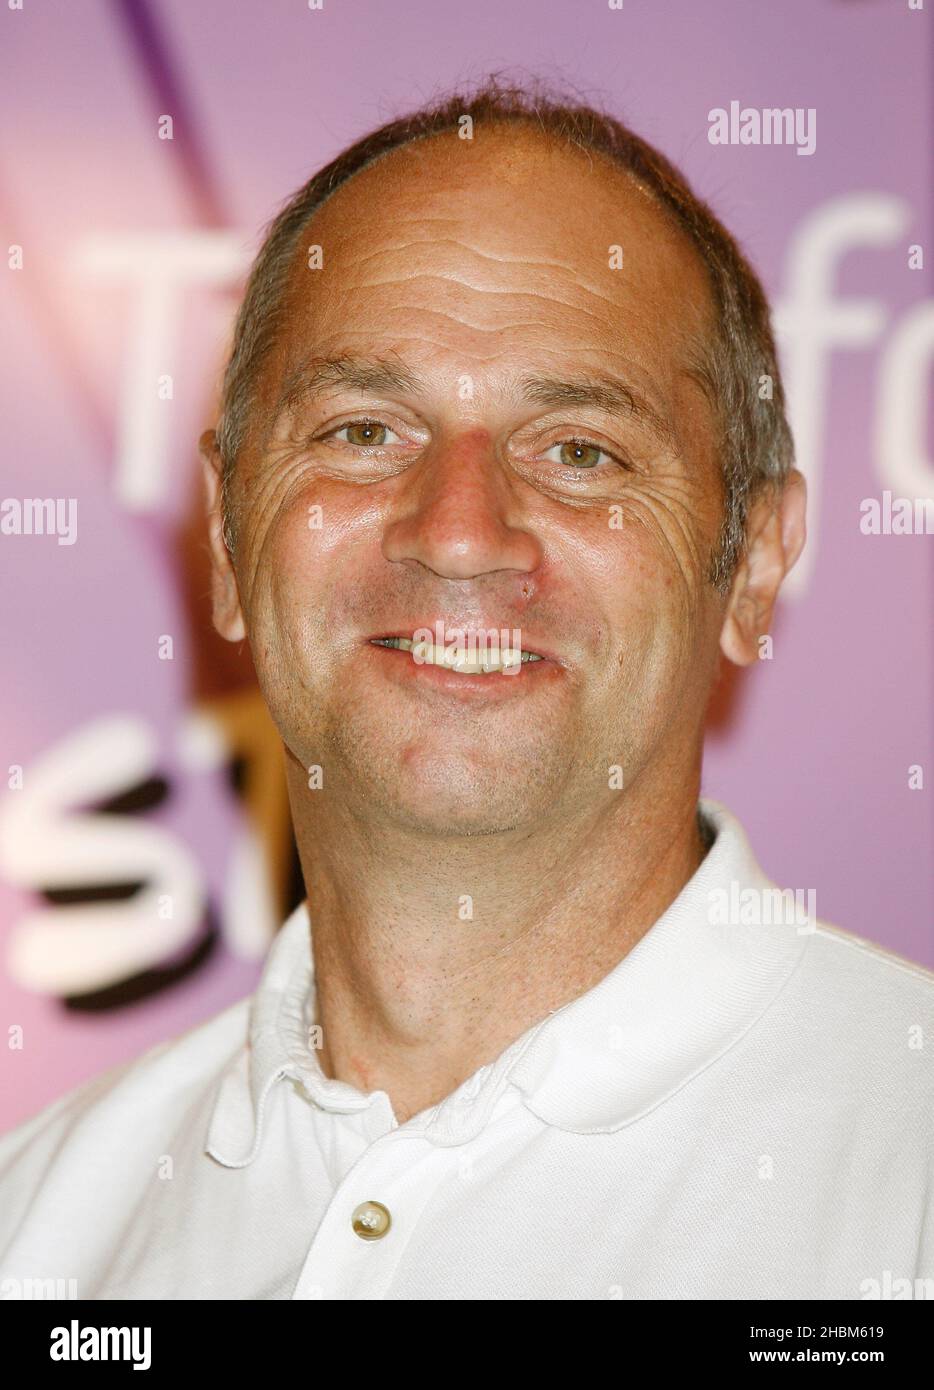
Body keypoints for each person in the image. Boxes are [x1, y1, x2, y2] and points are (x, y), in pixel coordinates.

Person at [1, 77, 931, 1302]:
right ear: (229, 548)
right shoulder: (44, 1222)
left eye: (581, 451)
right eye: (362, 429)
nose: (457, 532)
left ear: (752, 563)